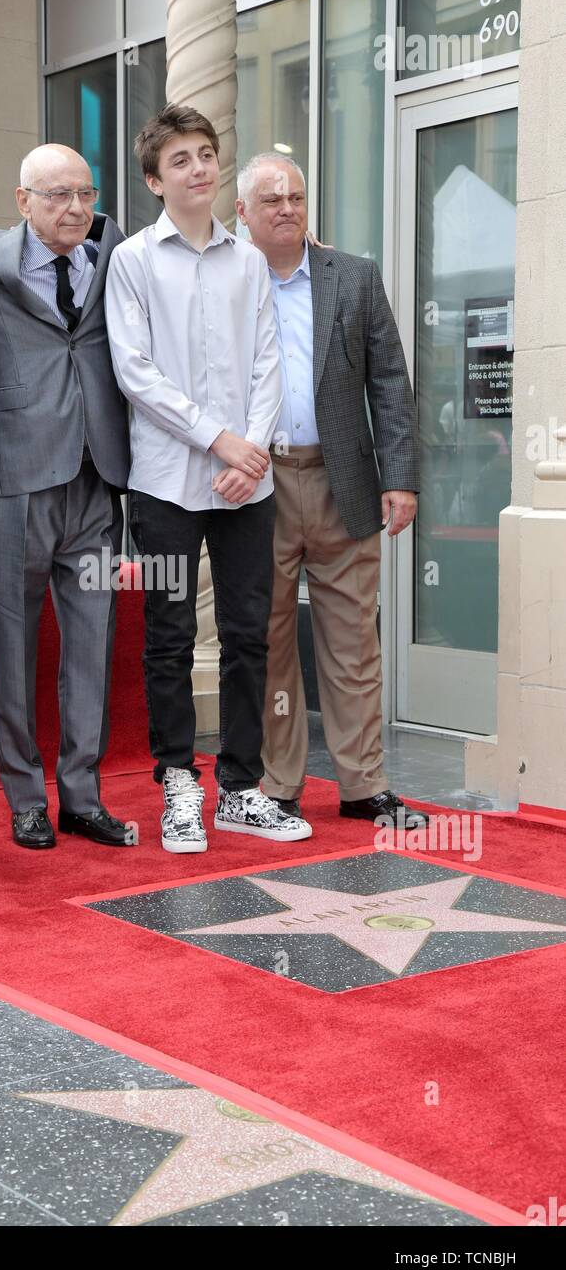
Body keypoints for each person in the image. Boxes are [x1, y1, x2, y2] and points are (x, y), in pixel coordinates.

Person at [105, 104, 313, 854]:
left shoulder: (250, 261)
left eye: (206, 154)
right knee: (166, 636)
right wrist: (218, 439)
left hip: (246, 484)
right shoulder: (132, 260)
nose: (199, 168)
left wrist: (250, 450)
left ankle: (241, 788)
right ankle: (177, 782)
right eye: (181, 160)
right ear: (155, 180)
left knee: (249, 634)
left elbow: (269, 362)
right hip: (165, 478)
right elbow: (135, 372)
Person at [235, 152, 427, 831]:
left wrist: (400, 478)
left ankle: (363, 784)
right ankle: (280, 784)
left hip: (343, 480)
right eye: (272, 199)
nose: (287, 207)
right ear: (243, 214)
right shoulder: (226, 280)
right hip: (257, 488)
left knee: (352, 643)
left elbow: (389, 383)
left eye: (296, 196)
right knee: (272, 638)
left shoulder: (355, 277)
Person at [0, 144, 132, 850]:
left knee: (91, 644)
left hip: (96, 480)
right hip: (12, 483)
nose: (73, 207)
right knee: (11, 645)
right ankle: (25, 796)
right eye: (56, 194)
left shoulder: (115, 253)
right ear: (21, 199)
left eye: (84, 193)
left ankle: (83, 797)